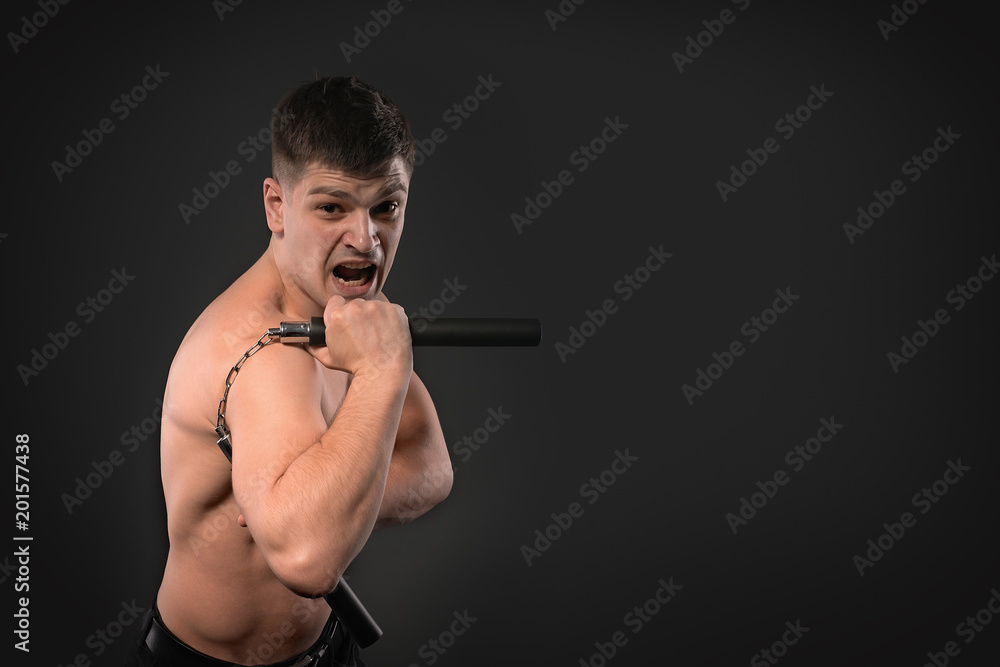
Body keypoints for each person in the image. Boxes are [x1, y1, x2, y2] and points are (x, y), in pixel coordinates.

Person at [126, 76, 454, 666]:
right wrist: (381, 374)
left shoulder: (350, 314)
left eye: (387, 207)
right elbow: (309, 559)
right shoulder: (264, 354)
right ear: (277, 205)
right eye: (332, 207)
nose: (366, 240)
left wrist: (307, 501)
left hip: (328, 646)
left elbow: (432, 470)